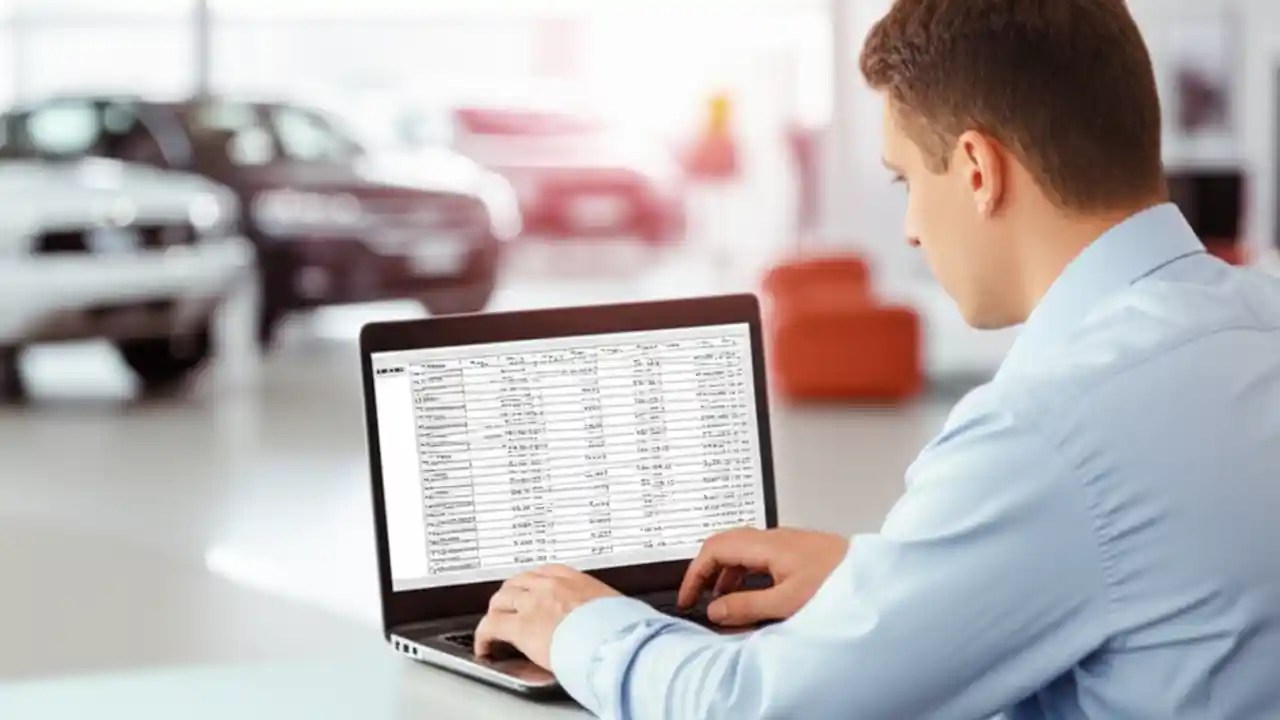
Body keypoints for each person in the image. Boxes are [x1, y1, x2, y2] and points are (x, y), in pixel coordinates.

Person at [473, 1, 1280, 717]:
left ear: (977, 171)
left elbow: (755, 707)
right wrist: (889, 580)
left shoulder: (1050, 430)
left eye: (903, 181)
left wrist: (581, 625)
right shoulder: (1261, 320)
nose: (911, 230)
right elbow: (1138, 573)